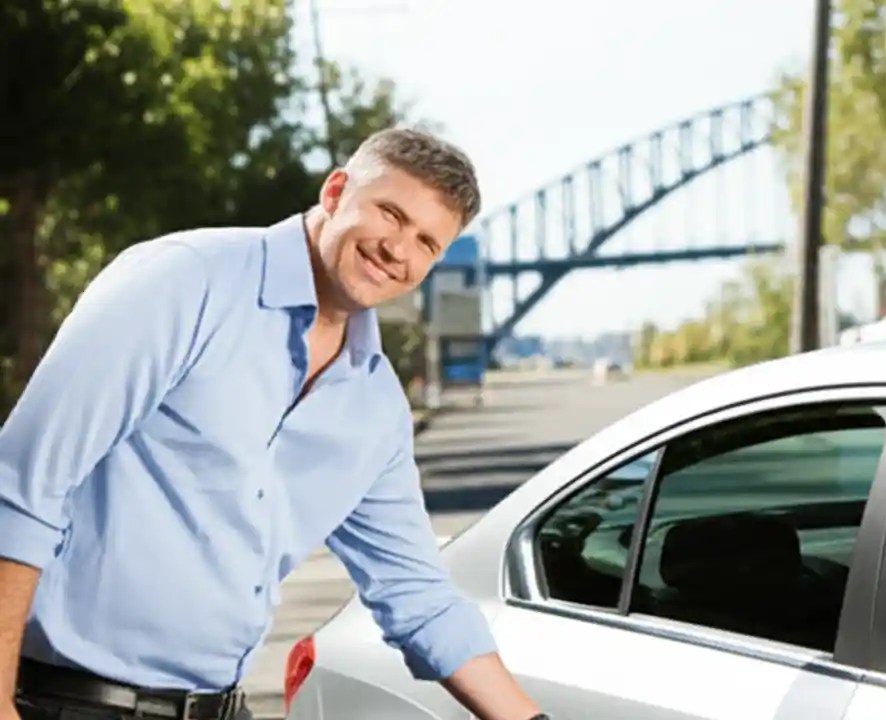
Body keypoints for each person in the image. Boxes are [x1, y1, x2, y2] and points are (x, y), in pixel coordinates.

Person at [0, 129, 550, 720]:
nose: (399, 250)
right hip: (69, 702)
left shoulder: (374, 405)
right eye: (390, 213)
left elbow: (418, 596)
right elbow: (23, 487)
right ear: (337, 191)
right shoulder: (186, 283)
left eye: (427, 243)